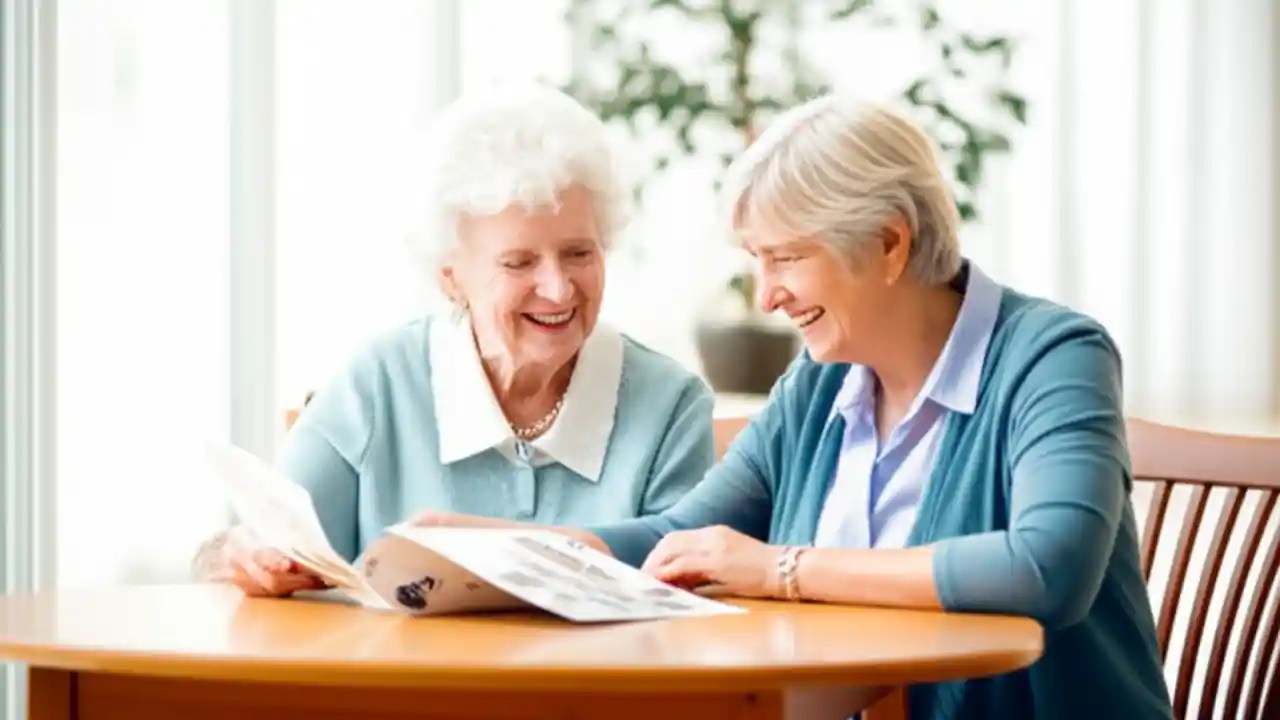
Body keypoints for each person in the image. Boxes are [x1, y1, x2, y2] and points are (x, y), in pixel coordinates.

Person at [417, 94, 1174, 719]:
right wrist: (506, 549)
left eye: (785, 258)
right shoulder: (822, 383)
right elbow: (684, 537)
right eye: (758, 262)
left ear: (887, 244)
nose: (767, 295)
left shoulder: (1052, 356)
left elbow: (1047, 569)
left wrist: (782, 569)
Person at [194, 83, 716, 598]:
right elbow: (249, 548)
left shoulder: (670, 403)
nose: (558, 289)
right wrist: (239, 557)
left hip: (596, 683)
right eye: (519, 262)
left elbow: (689, 586)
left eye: (579, 253)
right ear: (450, 276)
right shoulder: (377, 382)